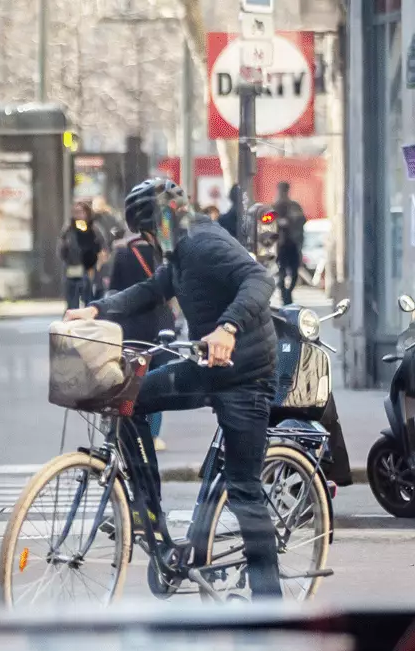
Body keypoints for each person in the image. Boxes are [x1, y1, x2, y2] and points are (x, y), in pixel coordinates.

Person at [66, 177, 283, 599]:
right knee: (129, 399)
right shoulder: (181, 250)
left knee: (244, 492)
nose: (147, 241)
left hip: (245, 376)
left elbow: (259, 279)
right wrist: (97, 308)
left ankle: (269, 606)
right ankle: (152, 520)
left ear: (157, 225)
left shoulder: (203, 243)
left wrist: (228, 327)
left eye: (147, 233)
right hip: (205, 366)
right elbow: (154, 289)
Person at [107, 225, 178, 452]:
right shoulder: (165, 255)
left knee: (130, 381)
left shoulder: (122, 253)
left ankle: (123, 432)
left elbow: (115, 289)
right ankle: (154, 436)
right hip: (160, 325)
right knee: (156, 382)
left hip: (131, 325)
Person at [59, 202, 102, 309]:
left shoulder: (94, 229)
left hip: (89, 270)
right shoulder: (69, 229)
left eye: (80, 212)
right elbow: (61, 249)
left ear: (87, 213)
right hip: (72, 269)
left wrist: (96, 266)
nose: (78, 215)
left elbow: (102, 248)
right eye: (75, 212)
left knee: (89, 302)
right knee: (72, 303)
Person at [274, 181, 308, 306]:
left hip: (293, 244)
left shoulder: (294, 206)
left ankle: (288, 293)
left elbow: (302, 220)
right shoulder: (275, 207)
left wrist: (291, 220)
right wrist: (279, 222)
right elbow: (268, 223)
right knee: (281, 272)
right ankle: (285, 296)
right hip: (280, 246)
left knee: (294, 272)